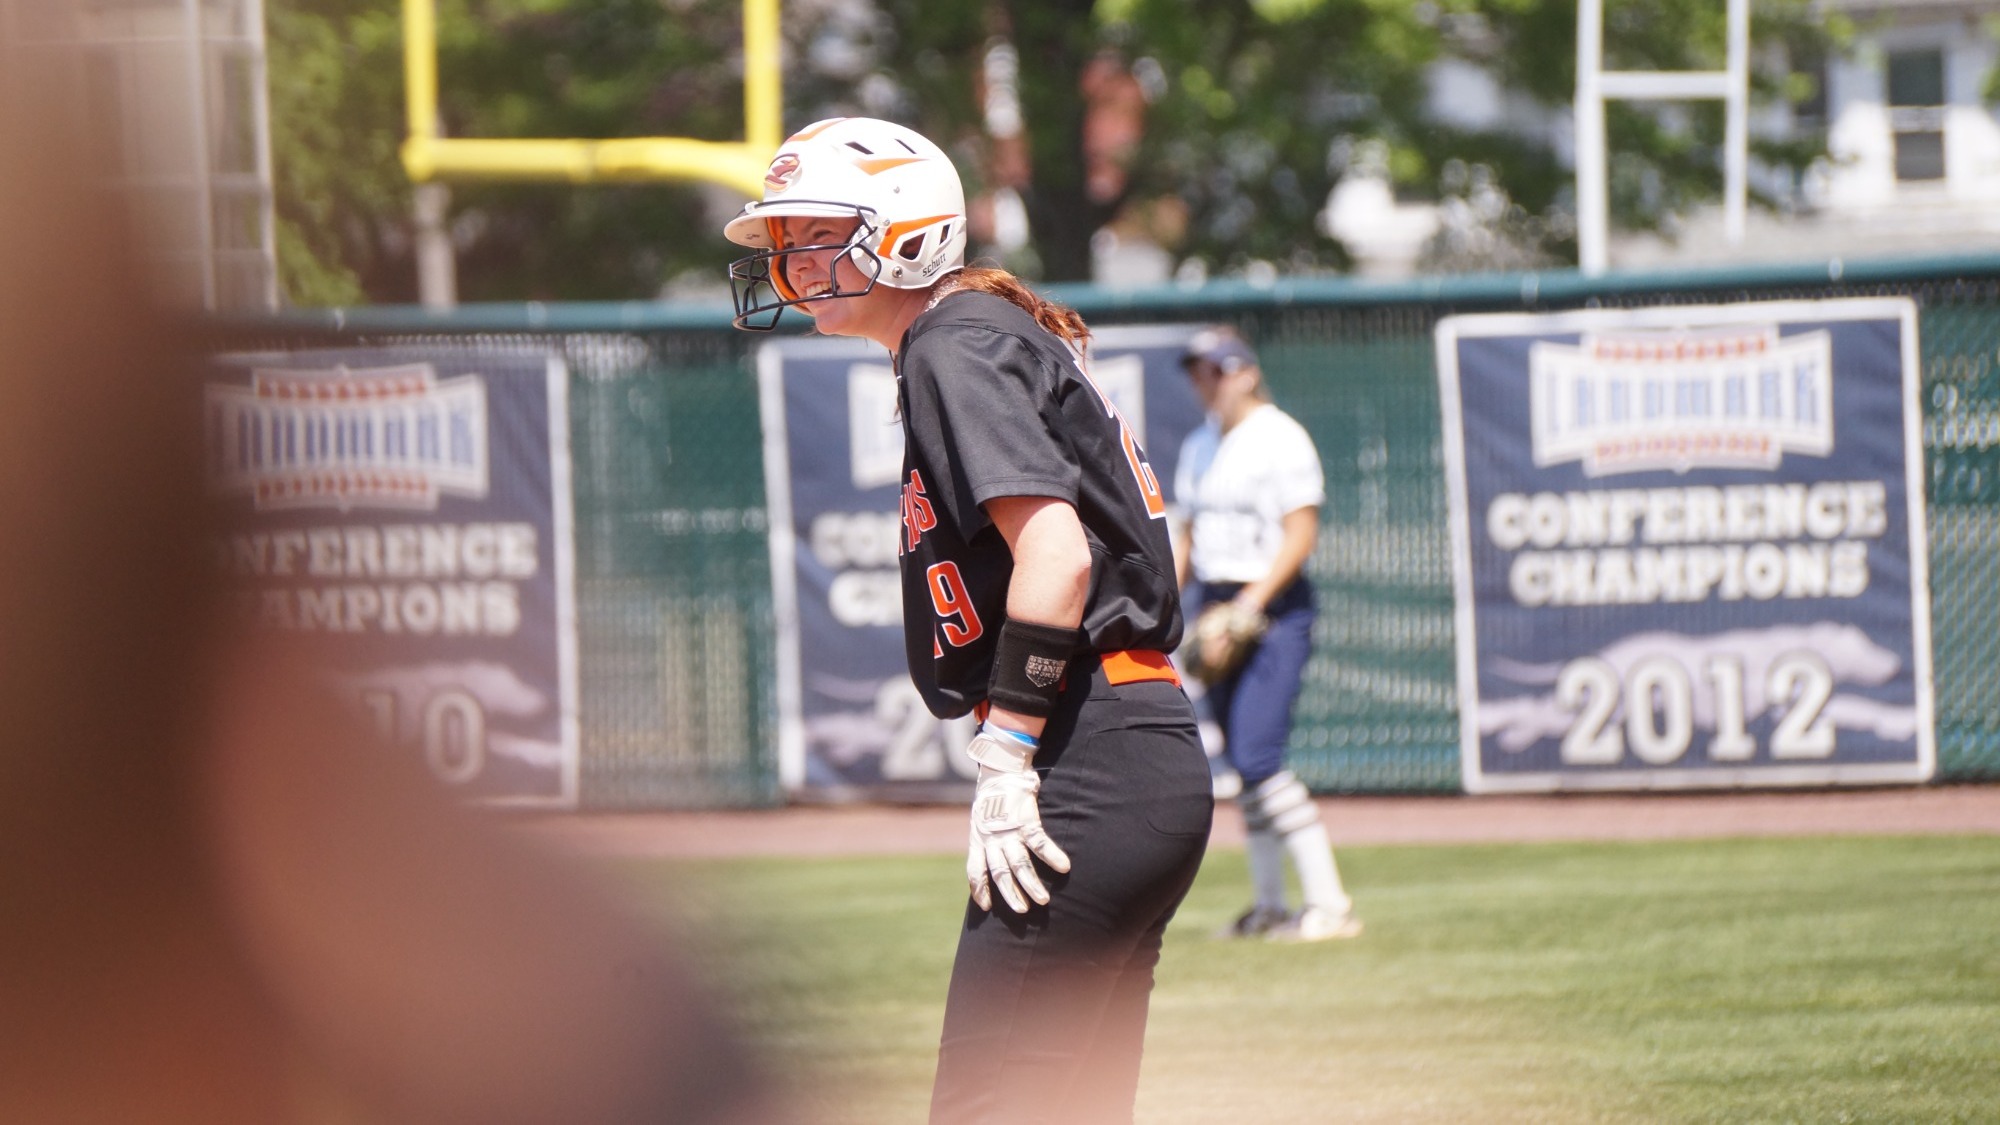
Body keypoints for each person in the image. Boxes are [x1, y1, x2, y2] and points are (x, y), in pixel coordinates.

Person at [724, 116, 1213, 1124]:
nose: (790, 262)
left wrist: (1006, 756)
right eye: (784, 242)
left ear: (902, 232)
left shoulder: (953, 341)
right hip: (1134, 741)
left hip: (1092, 746)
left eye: (815, 234)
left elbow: (1056, 554)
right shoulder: (968, 337)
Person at [1172, 326, 1363, 944]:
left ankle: (1331, 906)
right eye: (1200, 372)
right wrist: (1164, 607)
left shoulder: (1280, 437)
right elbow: (1189, 537)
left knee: (1259, 756)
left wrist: (1247, 609)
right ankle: (1271, 906)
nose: (1208, 383)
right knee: (1242, 765)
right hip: (1217, 600)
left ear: (1247, 372)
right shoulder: (1200, 444)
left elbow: (1301, 533)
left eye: (1218, 370)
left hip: (1273, 604)